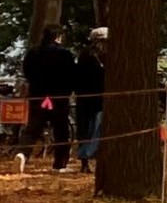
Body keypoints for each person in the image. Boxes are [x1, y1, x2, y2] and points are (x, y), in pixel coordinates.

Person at [18, 24, 77, 172]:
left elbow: (27, 73)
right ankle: (59, 164)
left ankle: (22, 154)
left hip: (38, 96)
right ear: (58, 37)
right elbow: (71, 76)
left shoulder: (33, 53)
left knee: (32, 129)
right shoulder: (65, 54)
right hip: (58, 98)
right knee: (61, 131)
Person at [73, 27, 105, 173]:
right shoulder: (88, 56)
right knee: (88, 130)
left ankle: (88, 159)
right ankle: (84, 160)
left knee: (94, 130)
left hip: (96, 99)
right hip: (90, 98)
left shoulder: (100, 56)